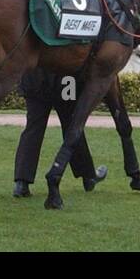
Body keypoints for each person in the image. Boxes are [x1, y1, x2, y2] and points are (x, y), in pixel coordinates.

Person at [12, 68, 107, 198]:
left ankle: (21, 181)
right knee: (71, 125)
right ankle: (88, 176)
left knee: (33, 128)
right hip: (64, 77)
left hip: (34, 76)